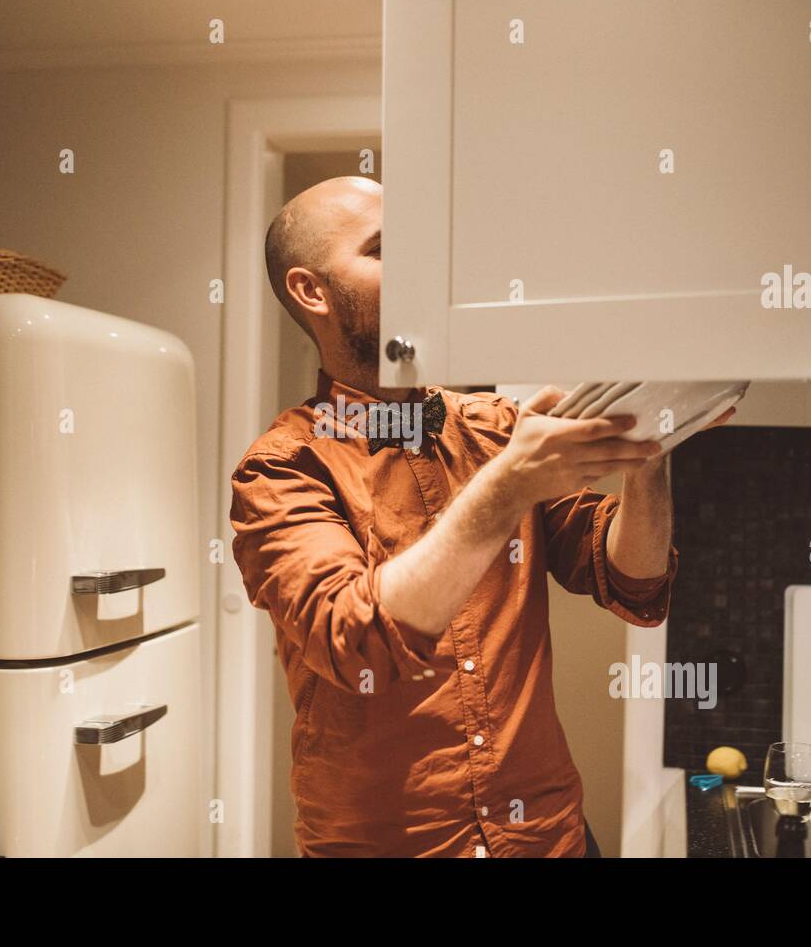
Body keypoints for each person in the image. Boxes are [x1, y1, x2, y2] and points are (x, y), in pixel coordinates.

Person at [229, 175, 731, 857]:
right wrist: (504, 491)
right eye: (383, 250)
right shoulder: (282, 469)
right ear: (311, 291)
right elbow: (359, 641)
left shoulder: (495, 428)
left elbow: (635, 585)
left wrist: (648, 444)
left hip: (546, 837)